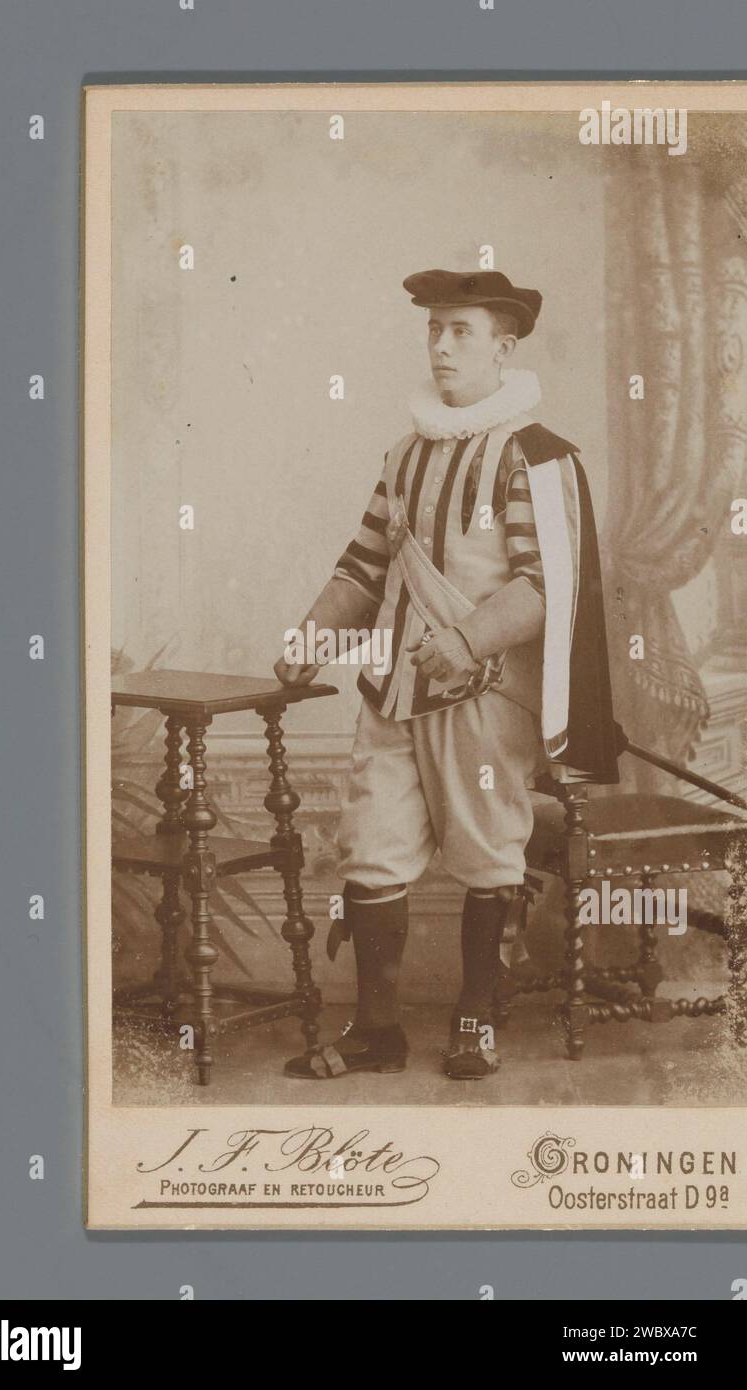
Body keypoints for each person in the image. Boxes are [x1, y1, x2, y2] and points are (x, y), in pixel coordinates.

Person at [274, 269, 618, 1081]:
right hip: (393, 691)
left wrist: (465, 638)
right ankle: (377, 1030)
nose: (440, 346)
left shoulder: (537, 458)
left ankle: (475, 1022)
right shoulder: (403, 454)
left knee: (488, 853)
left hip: (485, 698)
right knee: (372, 850)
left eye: (459, 330)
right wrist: (310, 635)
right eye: (433, 330)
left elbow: (547, 587)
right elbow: (361, 569)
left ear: (503, 347)